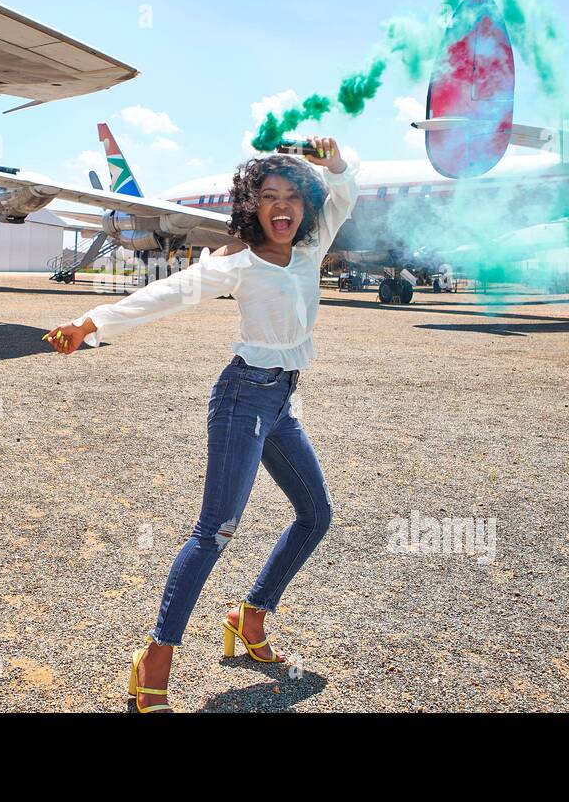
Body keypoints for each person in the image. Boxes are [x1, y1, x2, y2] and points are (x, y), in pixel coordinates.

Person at [44, 137, 359, 712]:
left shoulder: (312, 248)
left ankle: (249, 617)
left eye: (293, 195)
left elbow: (346, 190)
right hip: (242, 399)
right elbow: (167, 293)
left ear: (306, 205)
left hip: (281, 402)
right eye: (269, 196)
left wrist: (333, 163)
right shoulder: (235, 263)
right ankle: (157, 657)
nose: (282, 205)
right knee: (215, 530)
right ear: (251, 205)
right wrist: (90, 320)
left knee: (316, 514)